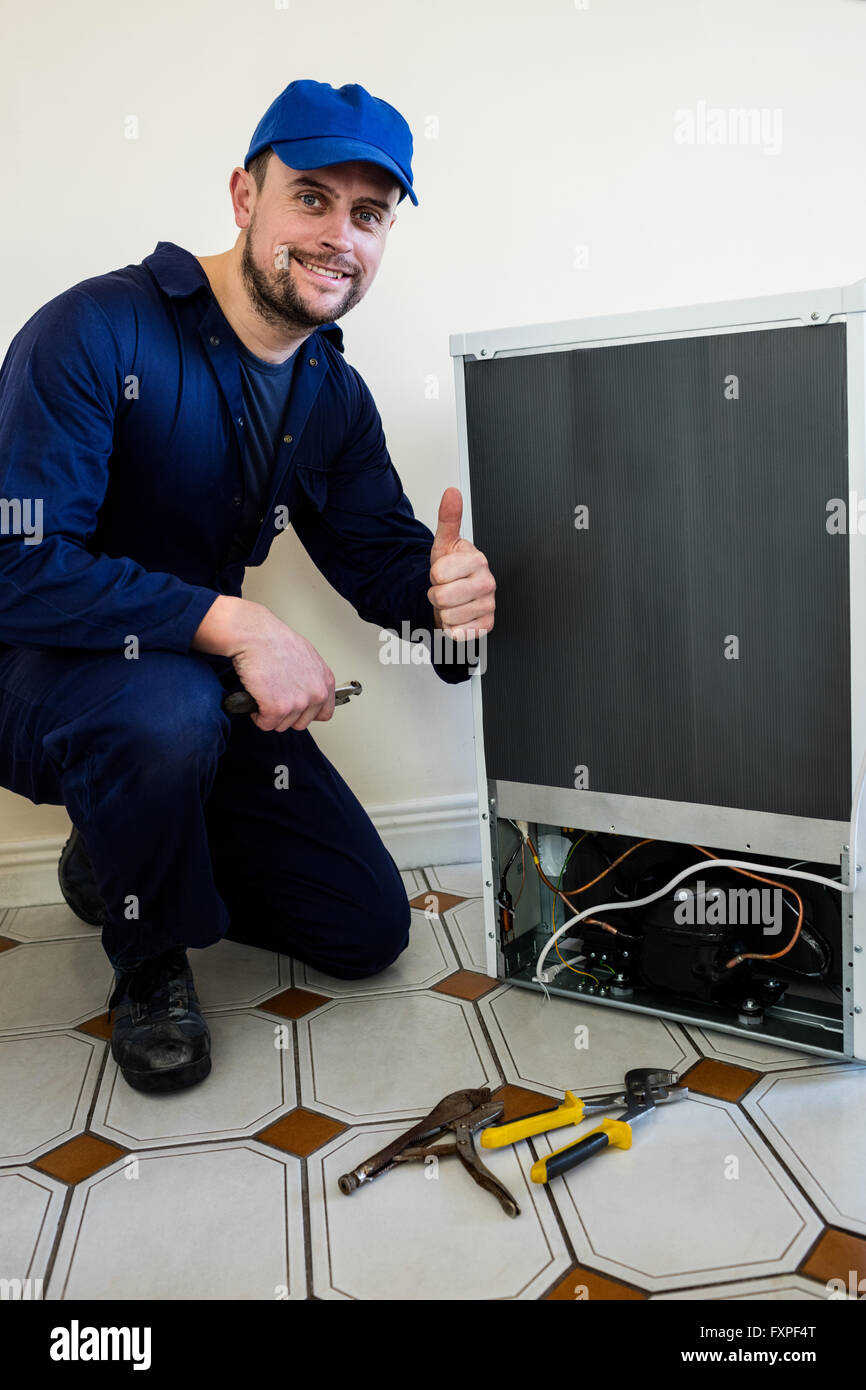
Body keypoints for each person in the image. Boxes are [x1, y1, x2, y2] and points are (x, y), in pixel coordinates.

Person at [0, 79, 496, 1095]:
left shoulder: (329, 393)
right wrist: (232, 618)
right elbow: (17, 562)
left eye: (368, 215)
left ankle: (118, 850)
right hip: (42, 680)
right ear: (243, 195)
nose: (337, 236)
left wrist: (445, 600)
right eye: (310, 197)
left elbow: (378, 563)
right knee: (167, 703)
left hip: (194, 695)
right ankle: (148, 961)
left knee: (365, 928)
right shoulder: (93, 330)